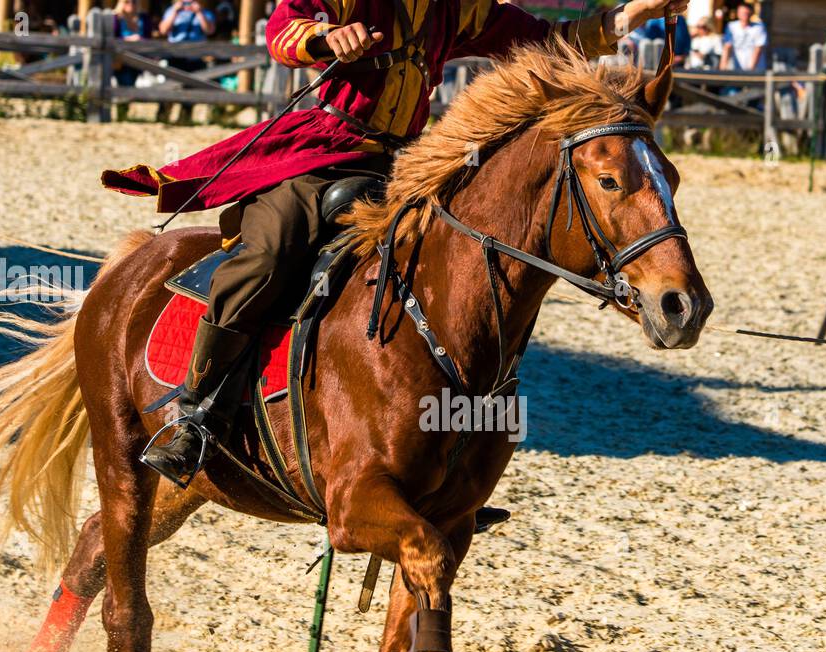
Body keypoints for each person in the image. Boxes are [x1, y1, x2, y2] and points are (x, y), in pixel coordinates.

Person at [106, 0, 689, 485]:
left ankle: (450, 450)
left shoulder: (454, 6)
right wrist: (328, 37)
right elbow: (283, 28)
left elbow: (550, 40)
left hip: (404, 164)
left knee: (462, 264)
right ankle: (196, 413)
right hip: (320, 155)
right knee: (268, 256)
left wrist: (632, 14)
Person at [158, 0, 216, 123]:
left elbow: (210, 30)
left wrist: (199, 13)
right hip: (175, 56)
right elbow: (163, 30)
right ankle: (163, 117)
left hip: (195, 58)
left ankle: (184, 118)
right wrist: (175, 11)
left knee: (191, 90)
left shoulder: (205, 13)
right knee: (169, 87)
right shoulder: (171, 10)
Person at [722, 2, 766, 71]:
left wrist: (751, 70)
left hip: (755, 68)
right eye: (742, 13)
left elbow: (758, 48)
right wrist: (722, 67)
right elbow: (727, 47)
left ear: (751, 13)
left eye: (746, 13)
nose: (744, 15)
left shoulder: (759, 27)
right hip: (736, 66)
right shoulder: (731, 26)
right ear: (738, 13)